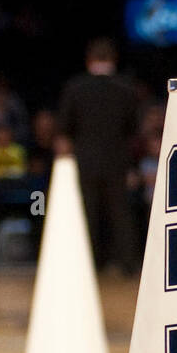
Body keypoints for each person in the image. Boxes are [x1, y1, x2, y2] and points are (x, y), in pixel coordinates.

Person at [57, 38, 141, 275]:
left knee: (87, 213)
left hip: (85, 161)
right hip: (118, 160)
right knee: (121, 214)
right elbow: (133, 130)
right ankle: (128, 265)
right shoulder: (126, 87)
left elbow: (64, 129)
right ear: (113, 60)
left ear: (89, 60)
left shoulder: (75, 87)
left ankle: (87, 266)